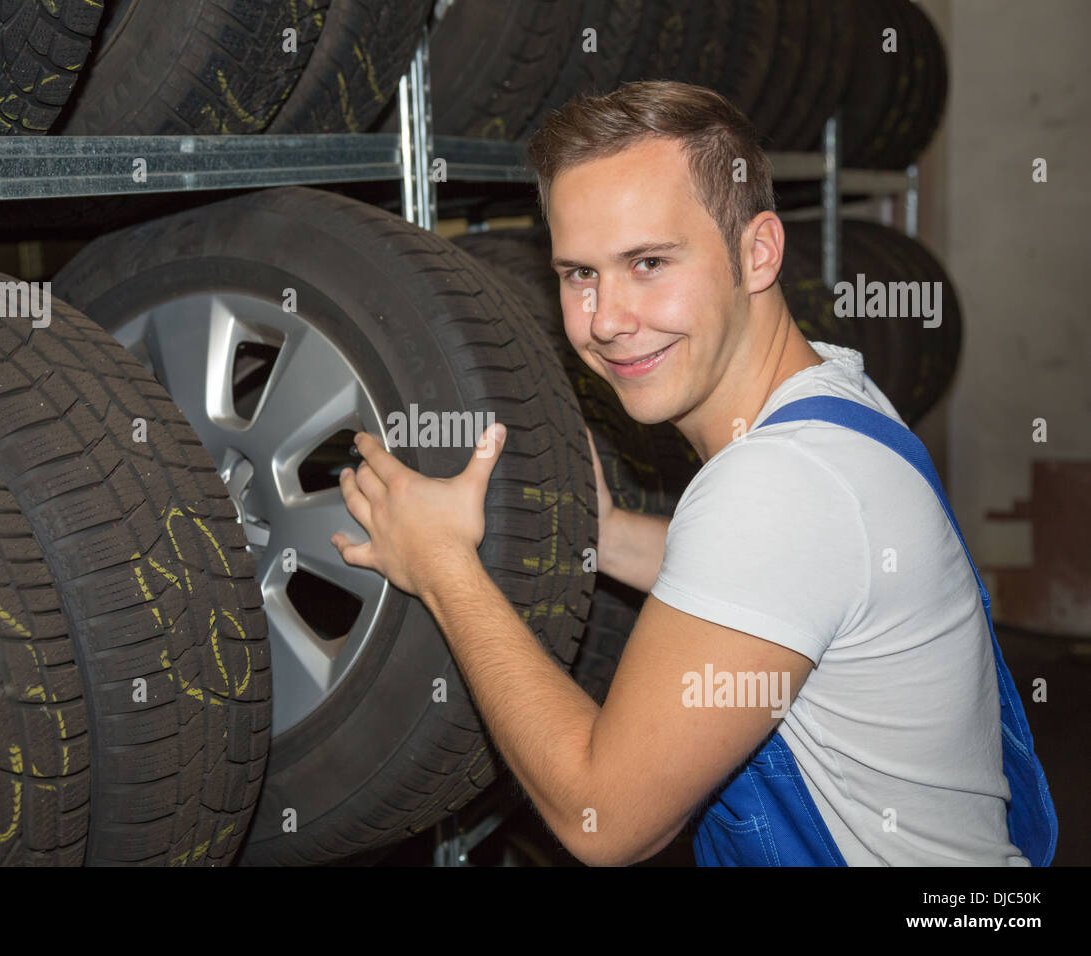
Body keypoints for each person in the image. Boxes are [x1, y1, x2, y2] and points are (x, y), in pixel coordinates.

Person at [331, 80, 1055, 866]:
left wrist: (441, 568)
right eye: (579, 274)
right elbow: (786, 582)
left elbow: (602, 819)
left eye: (648, 263)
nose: (606, 319)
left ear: (759, 252)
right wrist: (606, 536)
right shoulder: (835, 398)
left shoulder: (777, 489)